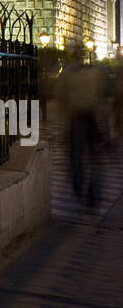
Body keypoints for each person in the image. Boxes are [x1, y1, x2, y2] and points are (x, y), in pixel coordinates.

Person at [58, 42, 108, 210]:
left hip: (77, 119)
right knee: (94, 157)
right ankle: (92, 193)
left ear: (72, 55)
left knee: (76, 156)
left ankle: (79, 187)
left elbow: (60, 98)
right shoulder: (95, 72)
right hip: (92, 118)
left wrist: (64, 119)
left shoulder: (67, 74)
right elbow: (102, 97)